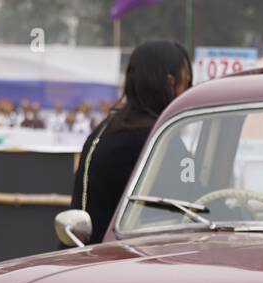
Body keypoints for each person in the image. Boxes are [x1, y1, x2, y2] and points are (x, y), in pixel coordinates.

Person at [69, 39, 192, 243]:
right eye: (187, 82)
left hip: (84, 255)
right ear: (171, 82)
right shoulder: (158, 139)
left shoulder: (107, 128)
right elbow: (189, 205)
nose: (188, 91)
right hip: (124, 262)